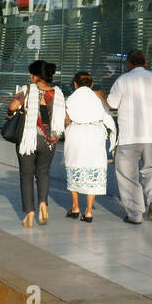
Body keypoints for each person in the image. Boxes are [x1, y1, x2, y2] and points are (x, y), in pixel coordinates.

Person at [105, 50, 152, 224]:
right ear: (145, 63)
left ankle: (135, 214)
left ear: (129, 64)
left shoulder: (123, 80)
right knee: (151, 169)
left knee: (127, 175)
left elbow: (112, 104)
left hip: (129, 136)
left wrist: (102, 96)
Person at [7, 60, 65, 228]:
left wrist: (21, 108)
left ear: (35, 75)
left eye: (31, 74)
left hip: (29, 139)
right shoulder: (58, 93)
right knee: (43, 173)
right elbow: (65, 118)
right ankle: (43, 204)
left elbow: (12, 107)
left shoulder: (27, 90)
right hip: (49, 140)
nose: (30, 77)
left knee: (26, 175)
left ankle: (29, 213)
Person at [62, 72, 117, 222]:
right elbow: (108, 119)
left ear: (75, 84)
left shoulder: (71, 99)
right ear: (91, 84)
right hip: (95, 135)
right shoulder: (97, 98)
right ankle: (89, 211)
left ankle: (75, 207)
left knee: (74, 166)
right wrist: (113, 140)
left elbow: (66, 119)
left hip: (76, 134)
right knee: (93, 168)